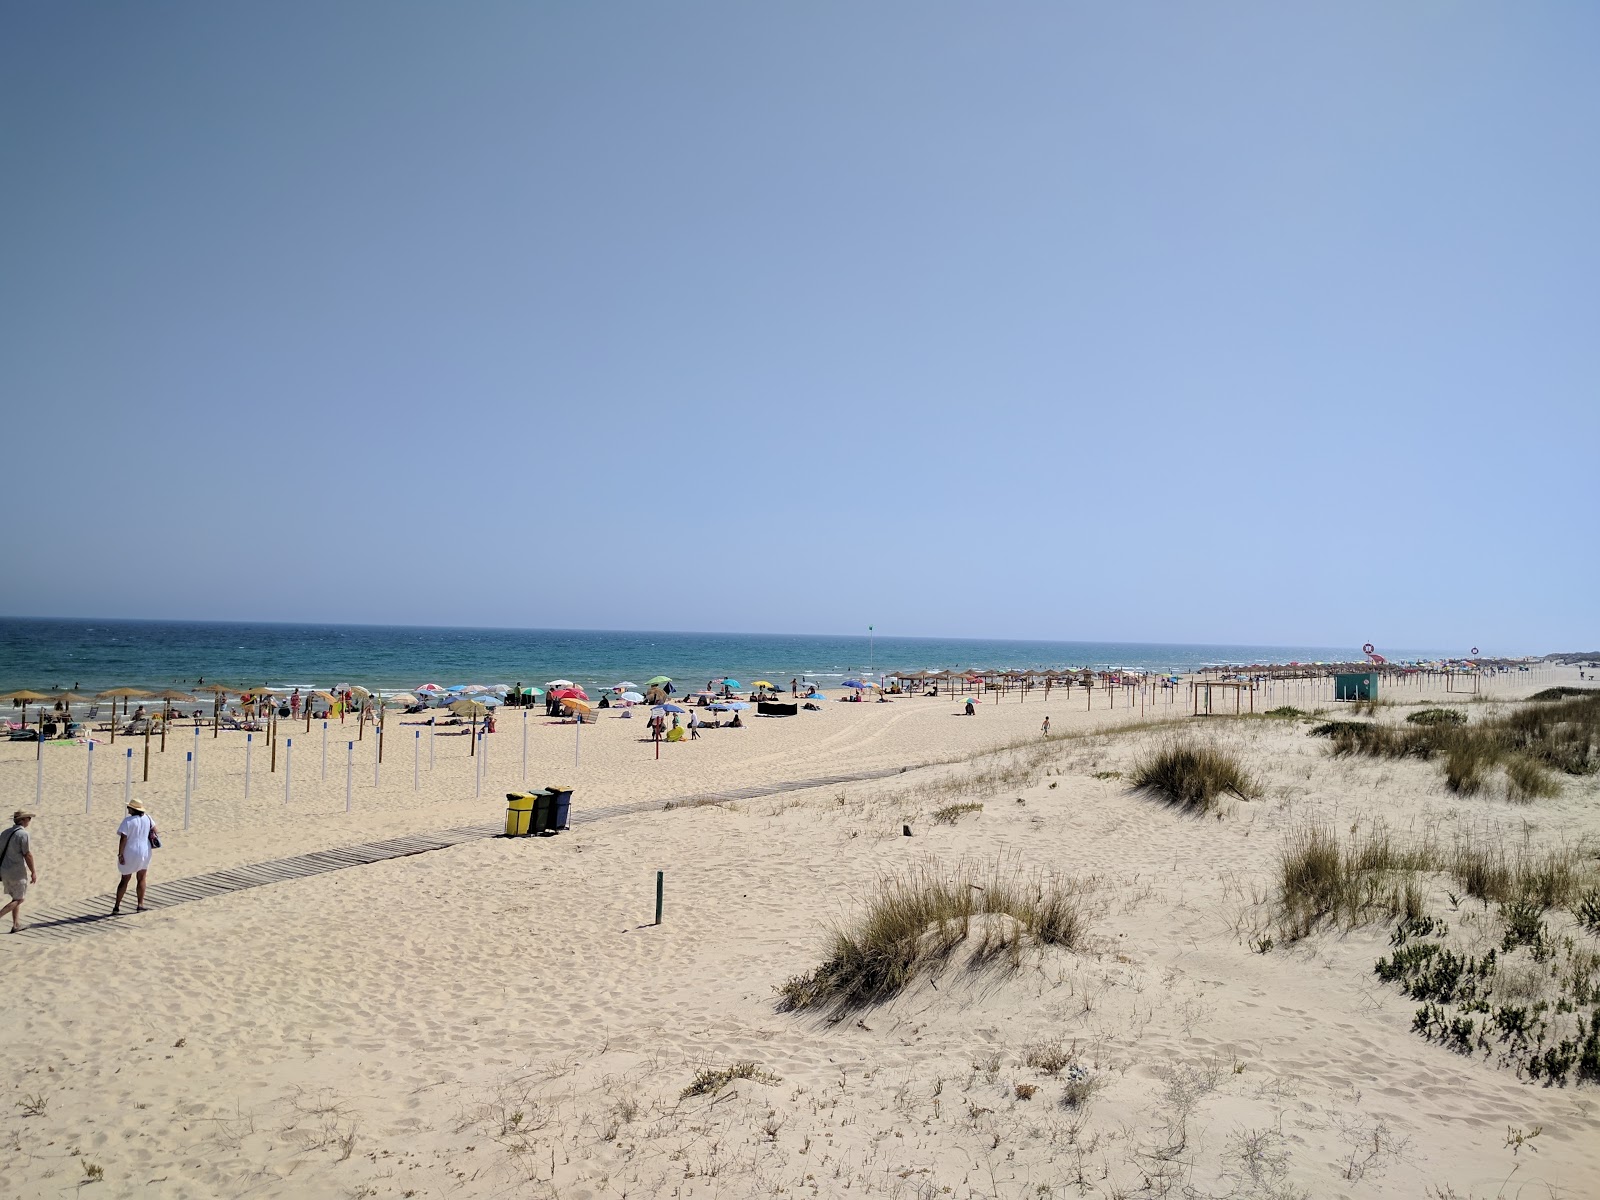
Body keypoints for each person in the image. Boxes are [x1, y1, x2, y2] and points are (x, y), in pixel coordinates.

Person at [113, 800, 159, 915]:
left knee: (125, 879)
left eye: (129, 807)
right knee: (141, 877)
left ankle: (117, 906)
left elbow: (123, 838)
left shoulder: (128, 821)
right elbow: (155, 830)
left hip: (130, 851)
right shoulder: (148, 818)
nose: (128, 809)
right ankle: (140, 904)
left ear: (133, 809)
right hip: (145, 850)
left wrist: (120, 854)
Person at [1, 810, 38, 933]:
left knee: (15, 898)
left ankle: (16, 924)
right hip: (16, 871)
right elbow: (27, 854)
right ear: (22, 820)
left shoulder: (5, 833)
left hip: (4, 870)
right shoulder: (23, 834)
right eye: (28, 818)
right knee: (20, 899)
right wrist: (33, 871)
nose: (29, 821)